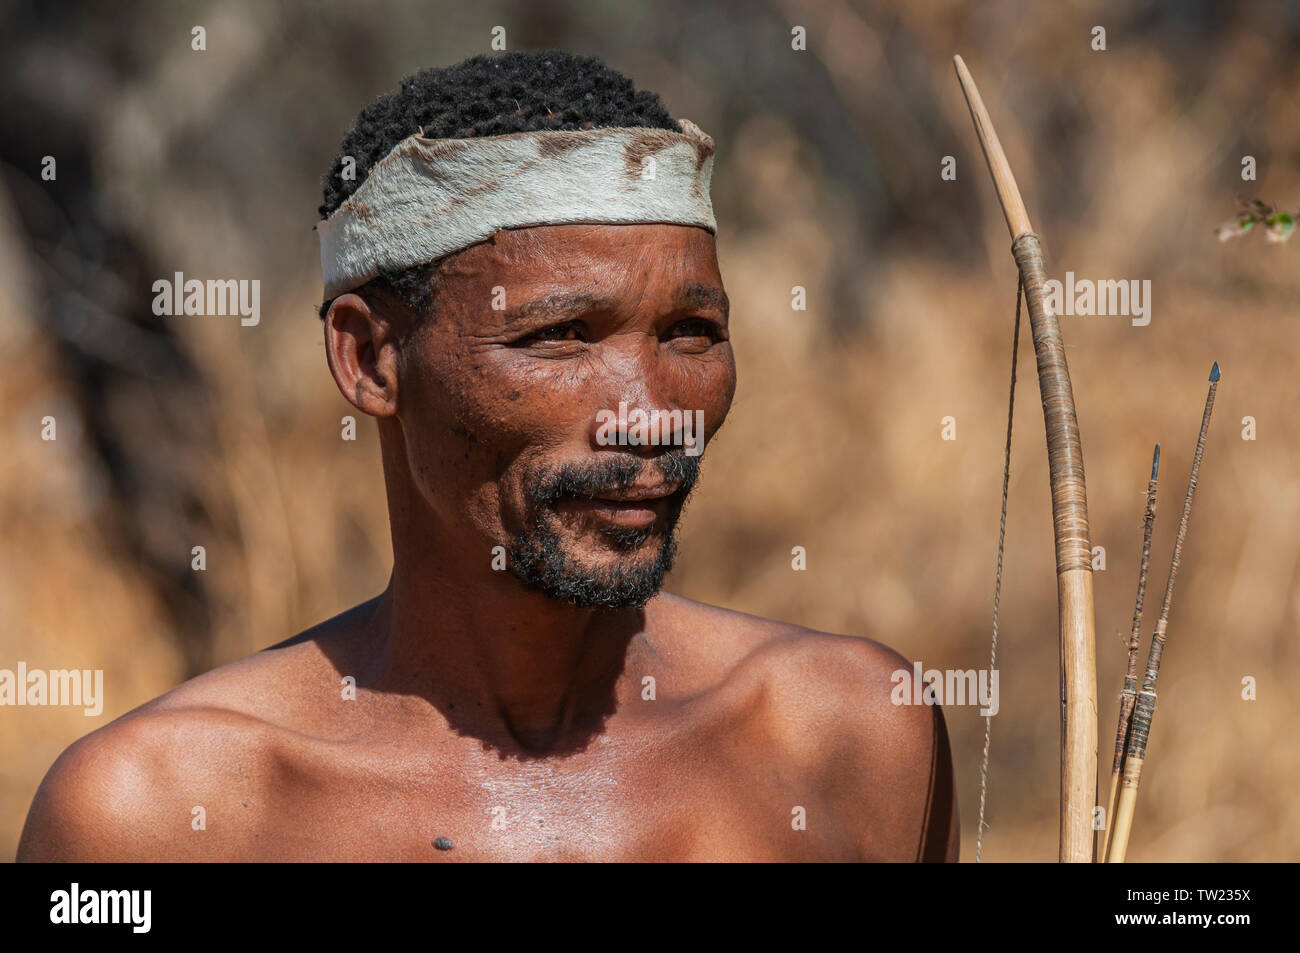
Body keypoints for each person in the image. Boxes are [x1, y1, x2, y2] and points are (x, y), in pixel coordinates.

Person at [18, 50, 957, 862]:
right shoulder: (156, 818)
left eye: (691, 332)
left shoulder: (852, 736)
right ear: (370, 357)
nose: (650, 414)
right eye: (560, 336)